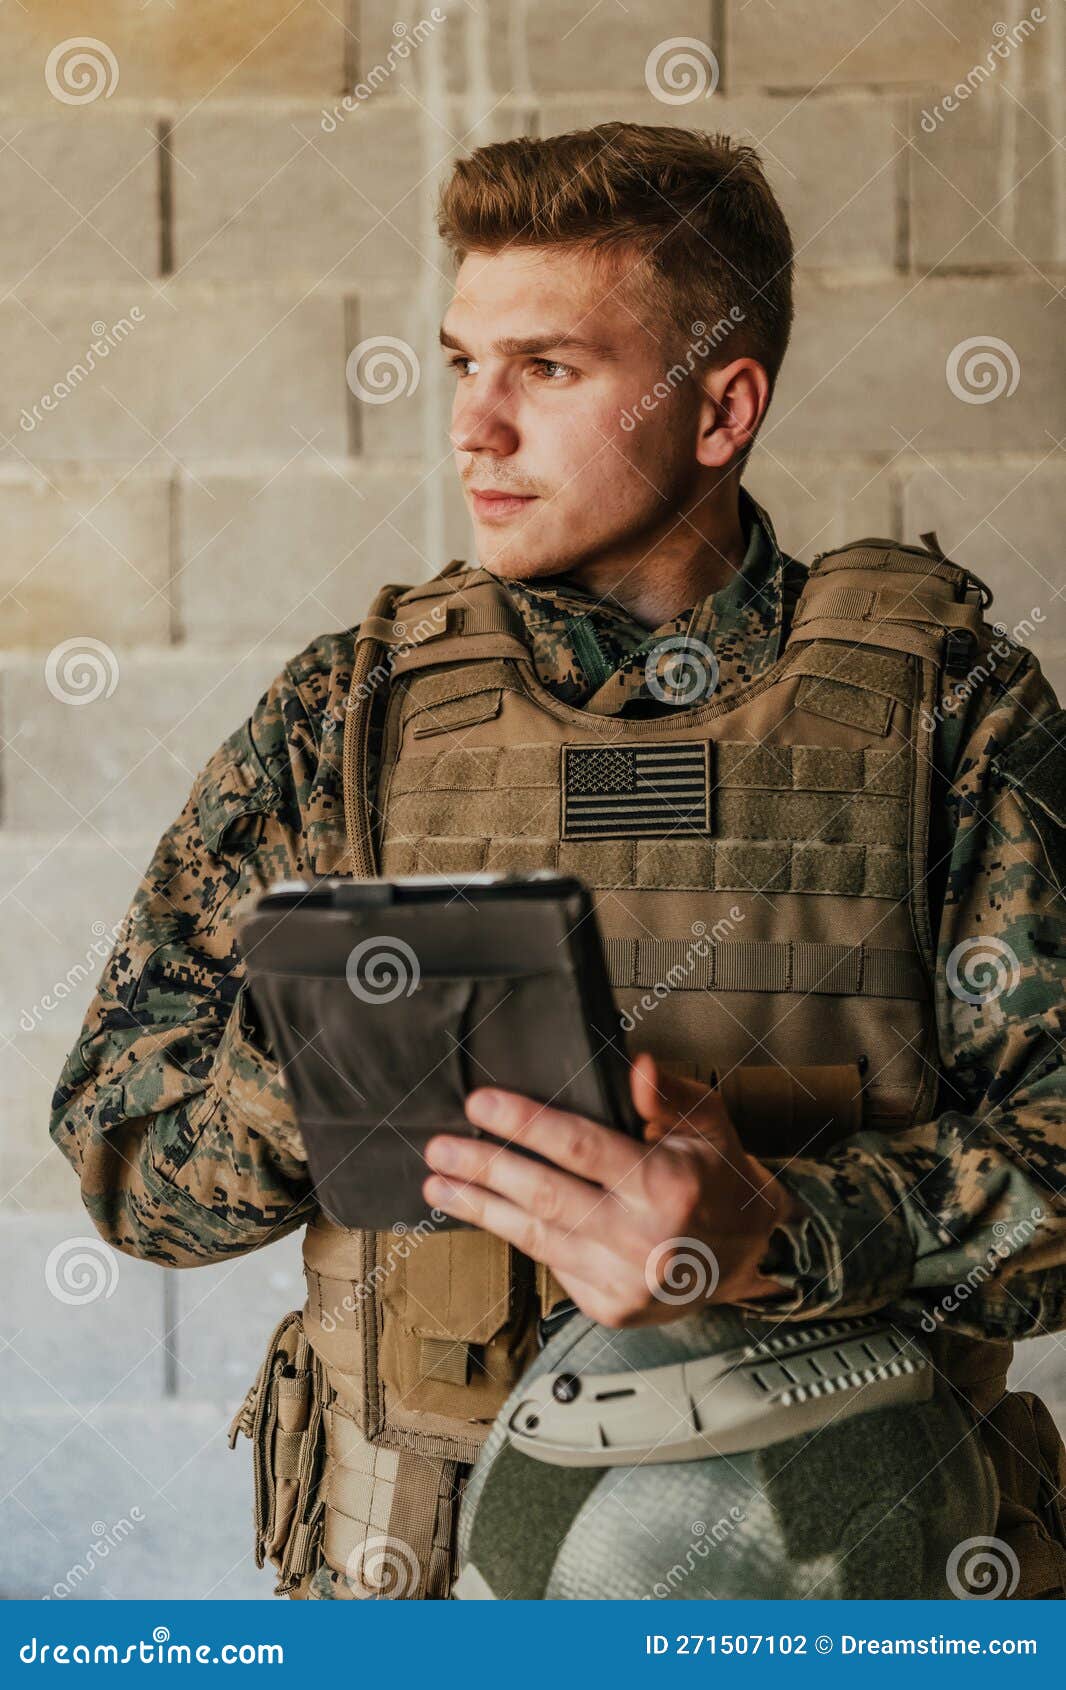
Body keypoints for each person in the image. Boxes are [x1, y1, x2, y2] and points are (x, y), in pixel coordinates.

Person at [51, 122, 1066, 1600]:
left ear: (719, 409)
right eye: (462, 361)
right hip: (421, 1584)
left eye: (546, 367)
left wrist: (785, 1225)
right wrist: (320, 1060)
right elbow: (125, 1160)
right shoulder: (346, 716)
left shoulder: (952, 712)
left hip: (836, 1581)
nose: (471, 425)